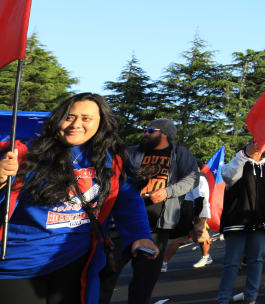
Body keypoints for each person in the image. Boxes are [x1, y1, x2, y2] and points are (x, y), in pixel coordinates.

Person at [0, 92, 157, 304]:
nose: (76, 124)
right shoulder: (24, 152)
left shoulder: (110, 158)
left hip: (77, 263)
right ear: (57, 119)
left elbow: (127, 198)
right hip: (19, 265)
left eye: (86, 118)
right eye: (69, 116)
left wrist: (140, 234)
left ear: (101, 123)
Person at [103, 118, 199, 304]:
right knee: (107, 273)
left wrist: (167, 192)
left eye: (150, 131)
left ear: (164, 134)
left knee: (144, 281)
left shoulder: (180, 153)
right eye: (145, 130)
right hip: (124, 223)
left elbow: (192, 178)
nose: (145, 134)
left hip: (156, 225)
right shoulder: (130, 152)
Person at [216, 138, 265, 304]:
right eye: (252, 142)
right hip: (236, 222)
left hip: (261, 224)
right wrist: (245, 155)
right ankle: (223, 299)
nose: (256, 145)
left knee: (256, 261)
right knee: (232, 263)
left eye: (259, 142)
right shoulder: (238, 163)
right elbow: (228, 176)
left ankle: (251, 298)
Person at [161, 160, 213, 271]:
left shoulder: (198, 179)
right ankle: (164, 262)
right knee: (182, 238)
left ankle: (206, 257)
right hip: (189, 211)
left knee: (200, 235)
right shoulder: (191, 179)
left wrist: (197, 215)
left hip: (197, 212)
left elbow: (199, 198)